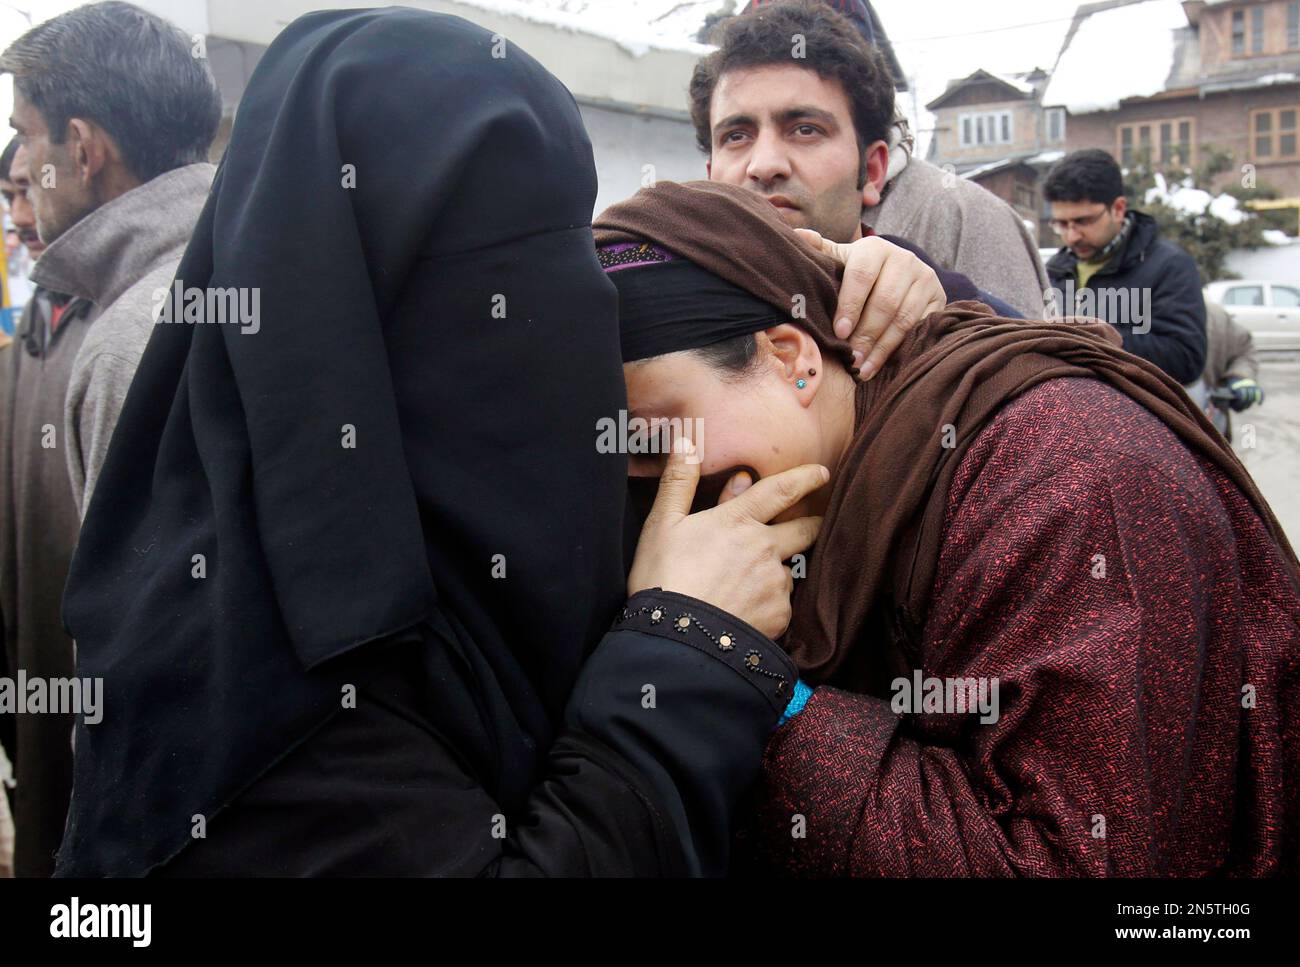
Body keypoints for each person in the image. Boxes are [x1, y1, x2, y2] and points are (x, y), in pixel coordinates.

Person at [51, 6, 899, 878]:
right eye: (524, 258)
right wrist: (686, 651)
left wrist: (902, 296)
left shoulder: (438, 507)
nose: (573, 311)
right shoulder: (231, 664)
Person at [594, 179, 1300, 875]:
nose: (662, 502)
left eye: (660, 438)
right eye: (618, 457)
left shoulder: (1063, 472)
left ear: (791, 359)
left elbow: (1074, 862)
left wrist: (734, 672)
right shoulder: (838, 472)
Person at [2, 0, 220, 517]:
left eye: (26, 135)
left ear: (82, 149)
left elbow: (140, 590)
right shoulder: (260, 264)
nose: (24, 167)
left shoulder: (130, 342)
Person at [708, 1, 1049, 322]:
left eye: (805, 130)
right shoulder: (664, 310)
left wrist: (947, 322)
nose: (764, 165)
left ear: (872, 170)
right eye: (736, 136)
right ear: (708, 176)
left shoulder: (960, 244)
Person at [0, 137, 93, 878]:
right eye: (10, 198)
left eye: (32, 188)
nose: (23, 214)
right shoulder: (37, 317)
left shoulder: (119, 319)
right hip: (33, 658)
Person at [1044, 149, 1207, 387]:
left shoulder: (1170, 265)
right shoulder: (1055, 269)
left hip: (1136, 416)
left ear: (1118, 209)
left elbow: (1186, 359)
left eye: (1083, 221)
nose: (1071, 236)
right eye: (1061, 223)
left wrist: (1106, 340)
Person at [1203, 300, 1264, 441]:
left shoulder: (1212, 313)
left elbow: (1243, 349)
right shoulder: (1142, 310)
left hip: (1210, 429)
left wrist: (1241, 376)